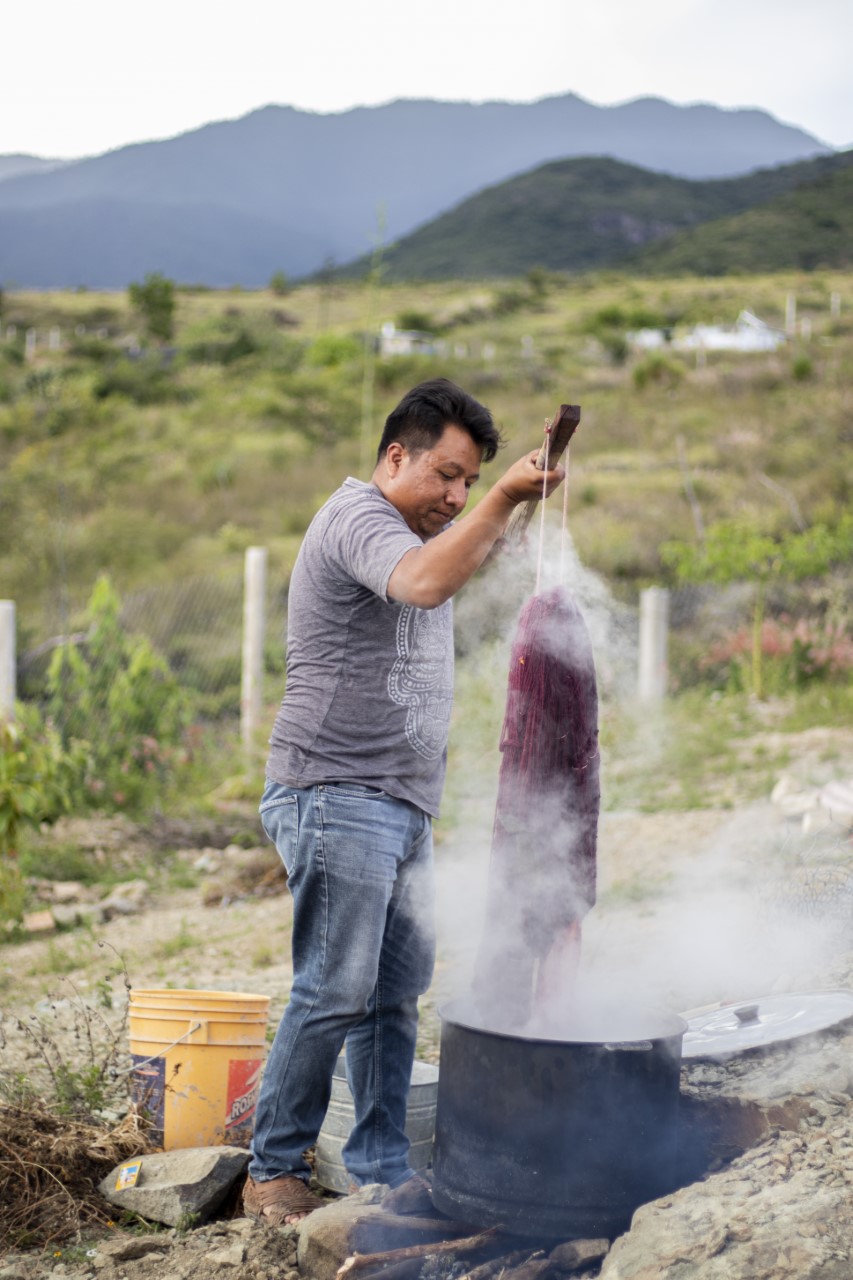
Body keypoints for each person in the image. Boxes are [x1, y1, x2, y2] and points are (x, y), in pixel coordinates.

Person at [243, 378, 565, 1225]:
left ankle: (379, 1170)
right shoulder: (358, 519)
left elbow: (463, 559)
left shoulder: (422, 533)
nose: (455, 497)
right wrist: (503, 497)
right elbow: (423, 584)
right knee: (333, 990)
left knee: (391, 997)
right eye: (445, 476)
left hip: (400, 802)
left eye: (469, 482)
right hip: (335, 790)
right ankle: (271, 1170)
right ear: (395, 457)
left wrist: (515, 508)